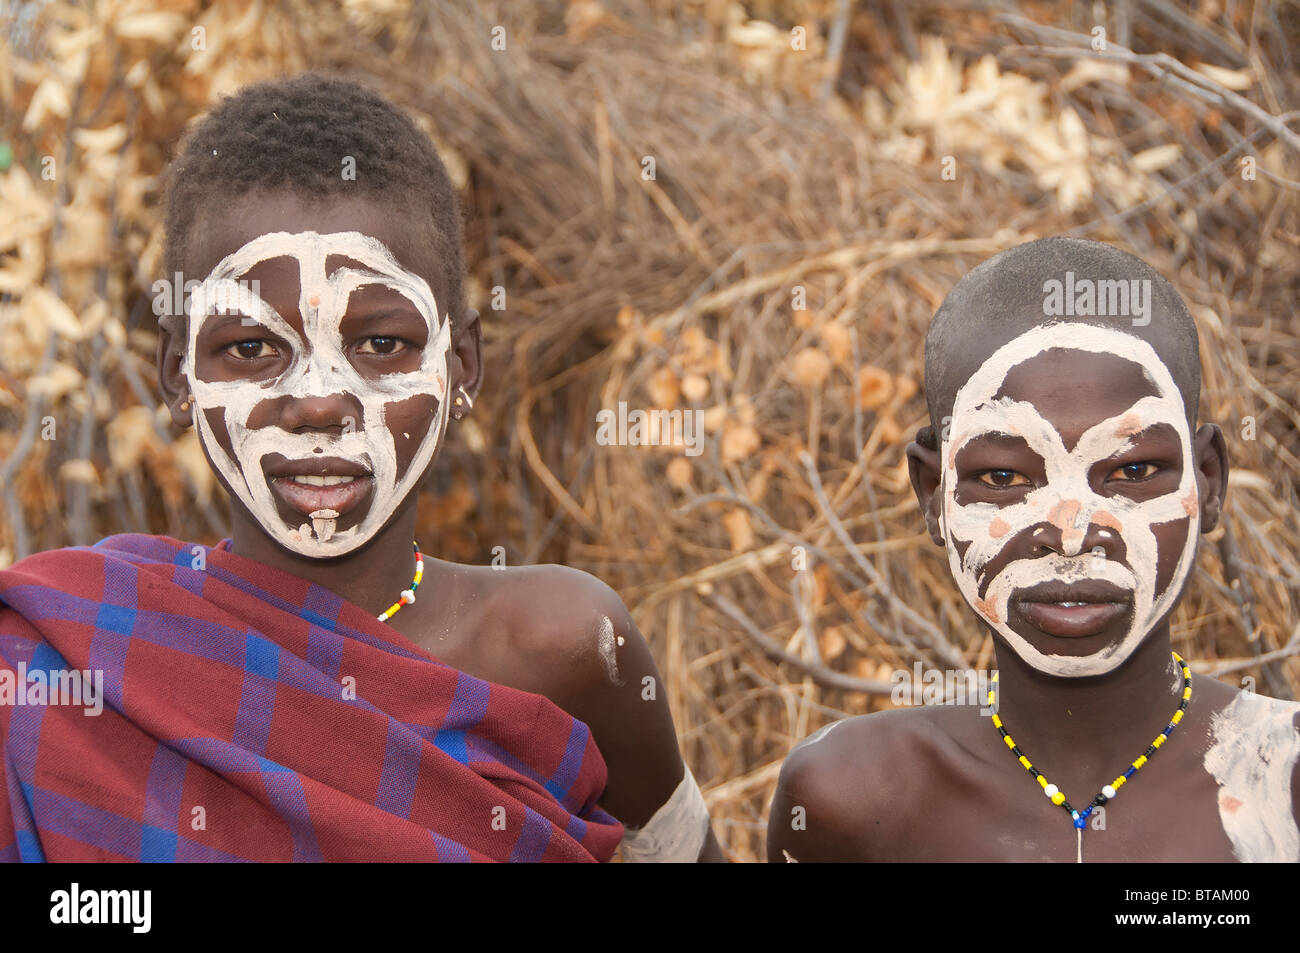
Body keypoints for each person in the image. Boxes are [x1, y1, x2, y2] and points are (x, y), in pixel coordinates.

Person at [0, 73, 721, 862]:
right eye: (251, 347)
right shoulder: (65, 659)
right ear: (179, 375)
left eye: (381, 344)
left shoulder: (568, 647)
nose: (318, 403)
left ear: (462, 366)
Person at [767, 236, 1300, 862]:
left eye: (1130, 472)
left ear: (1206, 482)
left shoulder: (1282, 789)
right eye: (1004, 478)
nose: (1071, 532)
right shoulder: (850, 800)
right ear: (933, 495)